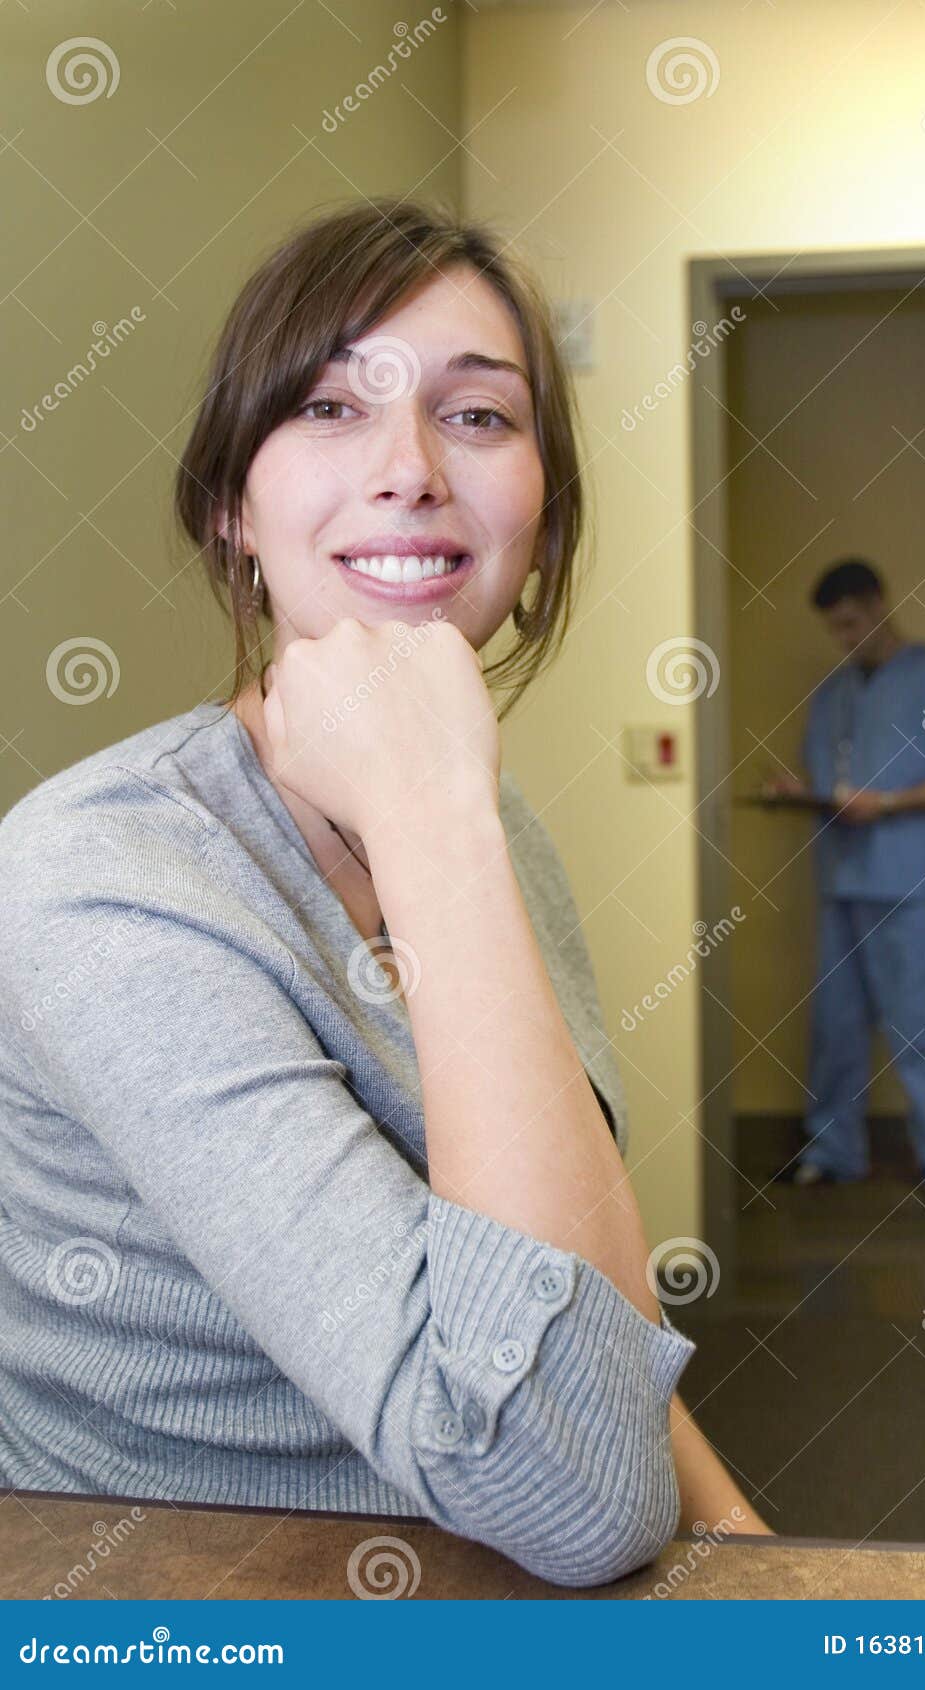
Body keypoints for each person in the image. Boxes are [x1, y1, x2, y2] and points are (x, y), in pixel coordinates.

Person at [0, 198, 771, 1589]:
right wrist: (431, 823)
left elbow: (582, 1315)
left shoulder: (481, 824)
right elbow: (570, 1490)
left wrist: (773, 1568)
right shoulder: (96, 876)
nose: (410, 468)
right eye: (328, 407)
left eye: (479, 417)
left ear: (542, 507)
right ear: (231, 502)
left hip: (484, 1580)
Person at [765, 558, 925, 1219]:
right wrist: (799, 794)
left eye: (849, 623)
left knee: (922, 1026)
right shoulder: (833, 694)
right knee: (834, 1028)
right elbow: (834, 788)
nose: (842, 638)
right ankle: (832, 1153)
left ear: (877, 606)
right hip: (842, 881)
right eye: (832, 629)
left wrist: (889, 804)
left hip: (910, 881)